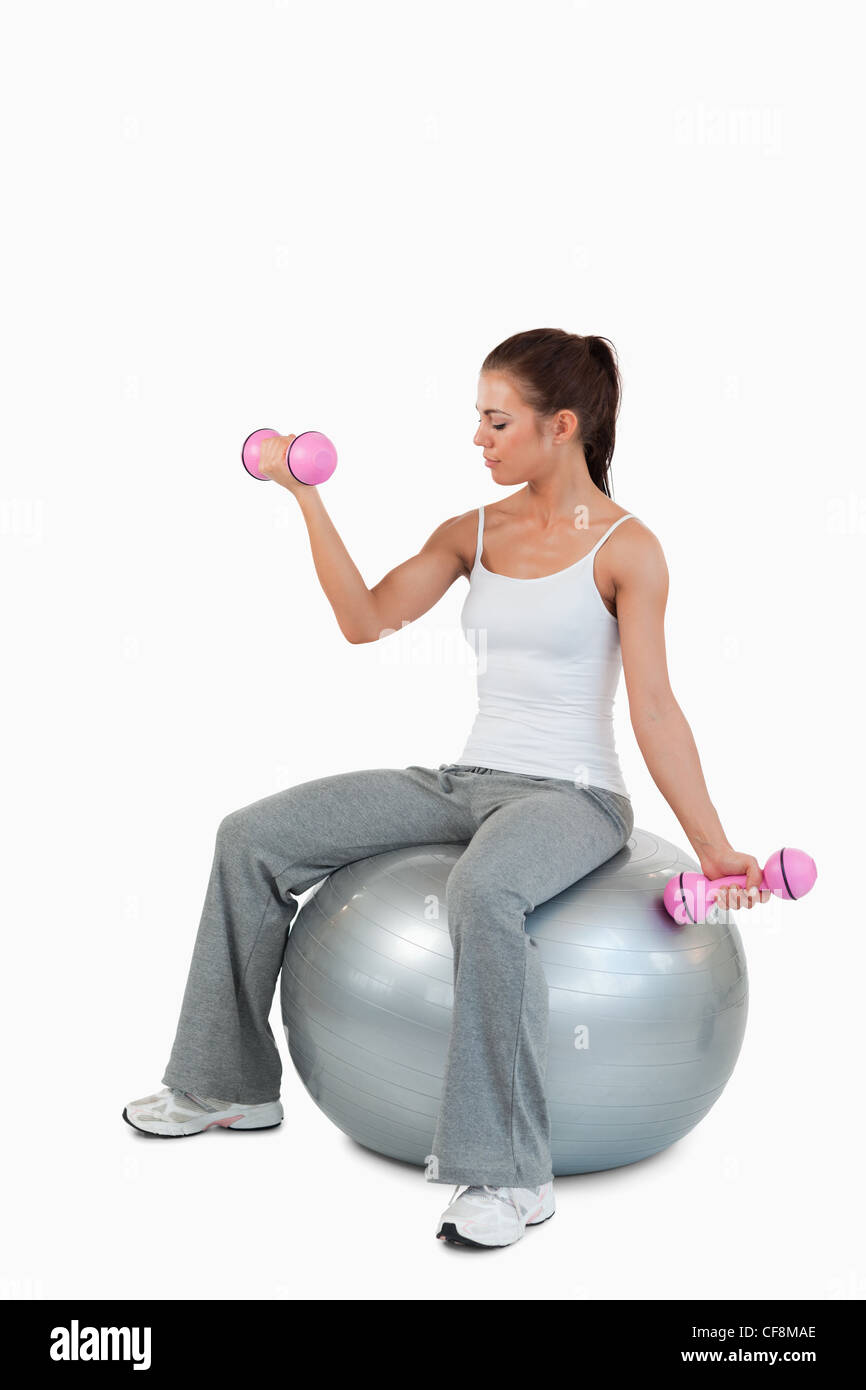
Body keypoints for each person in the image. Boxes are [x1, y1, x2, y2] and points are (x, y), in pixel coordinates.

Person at [123, 327, 770, 1249]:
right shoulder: (473, 530)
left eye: (497, 421)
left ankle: (509, 1174)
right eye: (478, 418)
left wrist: (714, 847)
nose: (478, 438)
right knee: (250, 836)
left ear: (562, 426)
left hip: (575, 795)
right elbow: (365, 619)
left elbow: (656, 710)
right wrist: (306, 498)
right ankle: (226, 1084)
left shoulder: (629, 548)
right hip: (464, 782)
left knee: (485, 889)